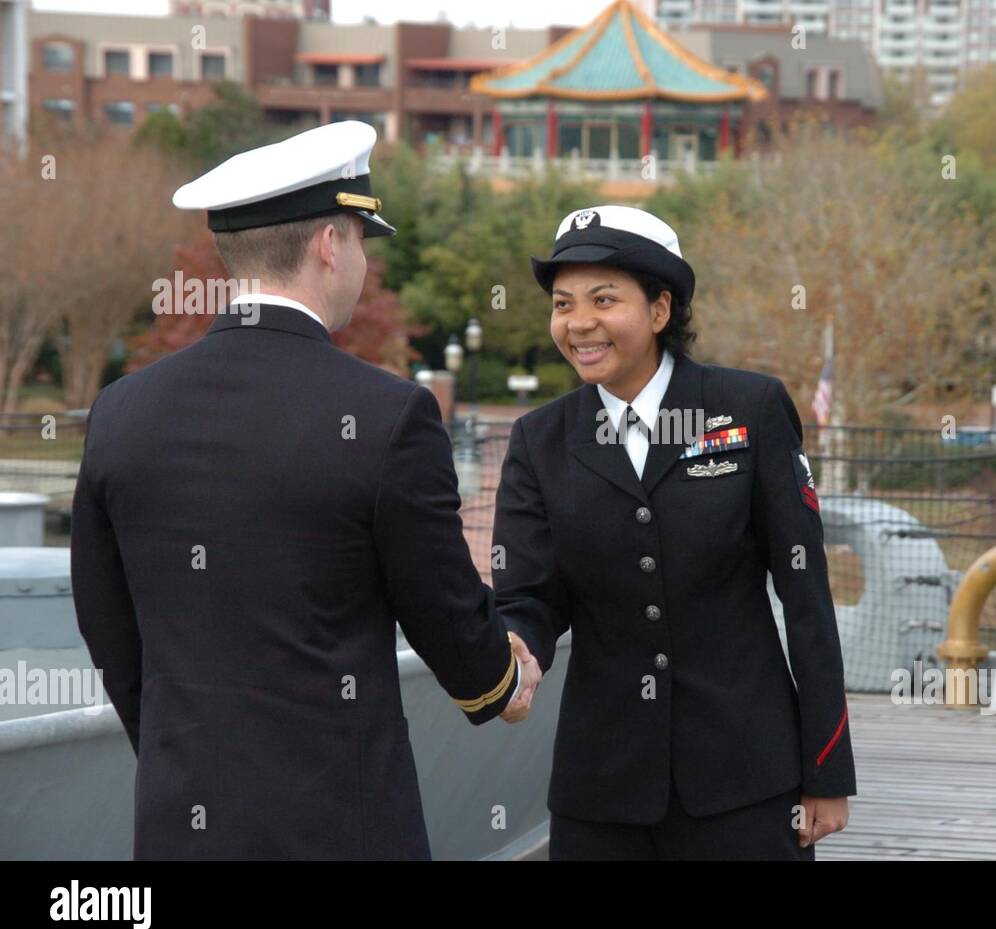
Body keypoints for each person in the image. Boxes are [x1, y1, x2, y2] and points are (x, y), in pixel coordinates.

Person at [70, 121, 539, 860]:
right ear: (329, 244)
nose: (360, 262)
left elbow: (107, 624)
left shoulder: (122, 411)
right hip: (341, 828)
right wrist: (502, 678)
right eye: (359, 240)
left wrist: (180, 754)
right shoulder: (391, 415)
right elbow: (443, 608)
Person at [491, 205, 856, 860]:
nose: (579, 324)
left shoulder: (749, 408)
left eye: (604, 299)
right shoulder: (539, 440)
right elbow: (531, 596)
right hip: (601, 789)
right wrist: (518, 652)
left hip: (746, 779)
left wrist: (827, 772)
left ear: (661, 310)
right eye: (564, 303)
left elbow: (806, 598)